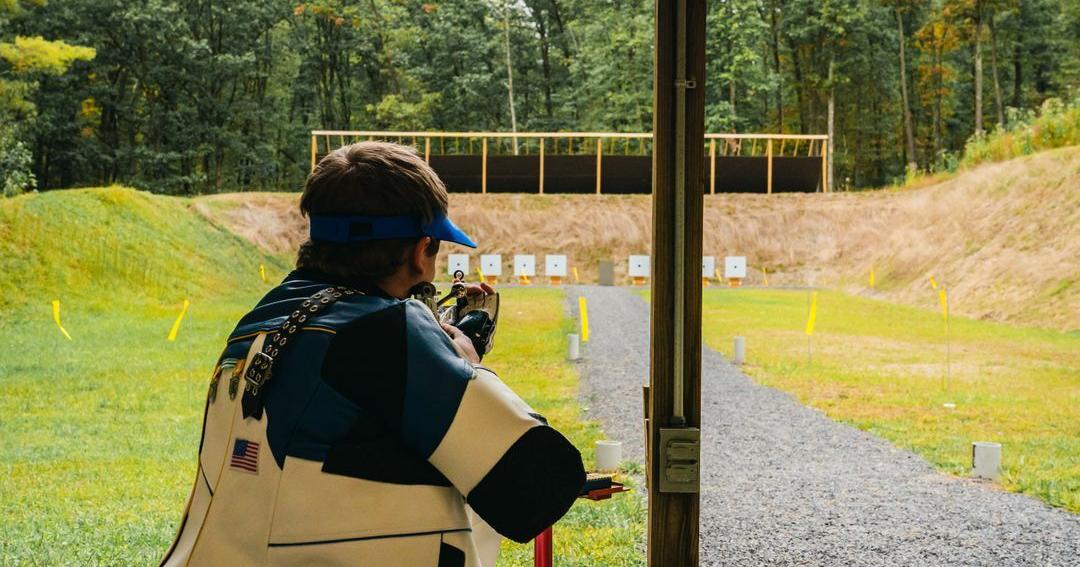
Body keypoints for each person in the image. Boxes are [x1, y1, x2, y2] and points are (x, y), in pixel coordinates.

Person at [160, 141, 585, 567]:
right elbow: (541, 485)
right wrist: (466, 363)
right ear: (421, 252)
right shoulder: (386, 332)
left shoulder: (259, 319)